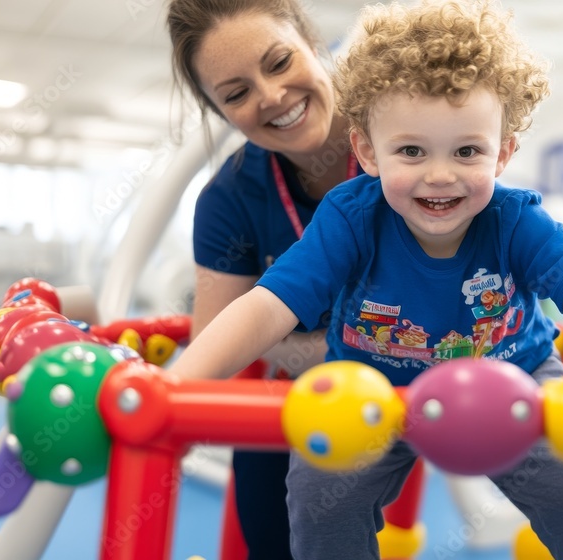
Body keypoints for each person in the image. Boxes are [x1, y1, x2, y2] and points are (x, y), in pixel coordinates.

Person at [168, 0, 563, 558]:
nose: (439, 176)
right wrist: (179, 385)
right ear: (369, 152)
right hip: (372, 388)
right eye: (411, 152)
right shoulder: (349, 217)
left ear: (503, 153)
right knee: (318, 495)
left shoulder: (514, 220)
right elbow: (267, 306)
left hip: (516, 376)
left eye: (466, 152)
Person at [166, 0, 361, 557]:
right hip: (310, 397)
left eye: (279, 62)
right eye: (236, 94)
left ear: (313, 45)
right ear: (221, 112)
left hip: (431, 387)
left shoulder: (404, 137)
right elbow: (217, 344)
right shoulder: (230, 199)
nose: (271, 96)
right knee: (267, 483)